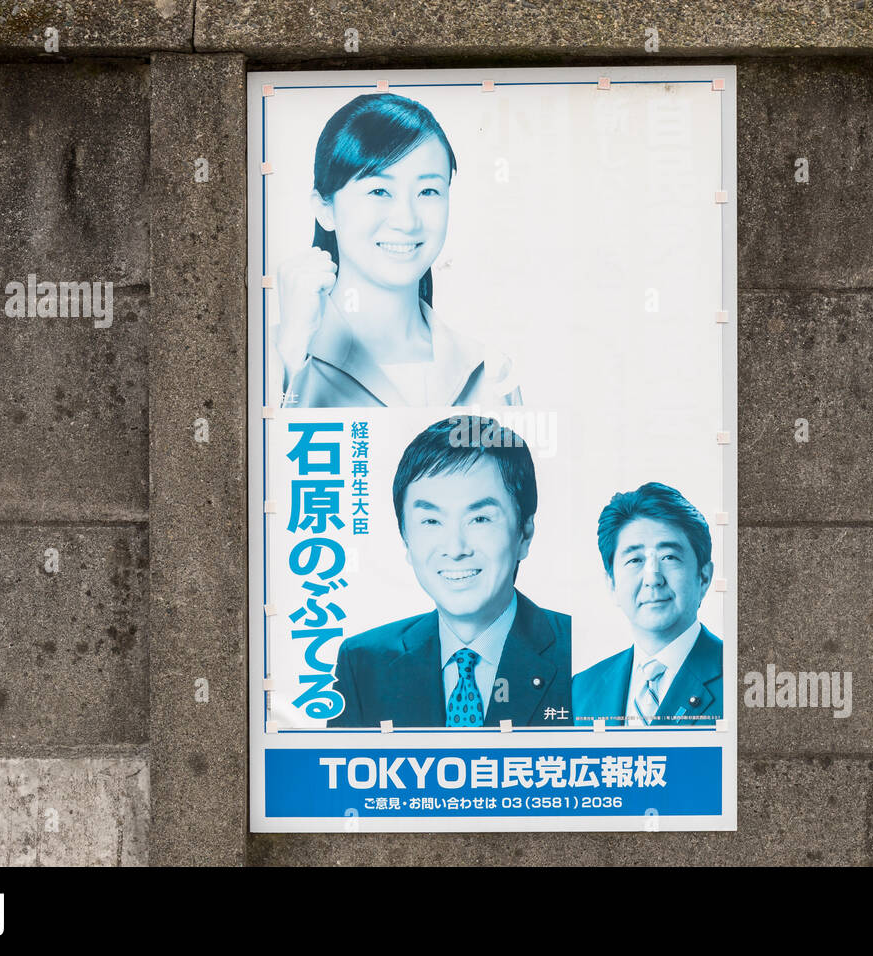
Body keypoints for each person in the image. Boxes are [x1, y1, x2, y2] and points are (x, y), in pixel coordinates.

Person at [274, 93, 520, 408]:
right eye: (379, 191)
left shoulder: (490, 374)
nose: (406, 220)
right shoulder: (274, 353)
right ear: (325, 209)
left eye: (428, 191)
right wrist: (291, 352)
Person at [328, 416, 570, 727]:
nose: (455, 549)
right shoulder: (363, 663)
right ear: (405, 539)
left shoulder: (578, 652)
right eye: (431, 521)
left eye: (480, 519)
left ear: (525, 533)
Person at [573, 482, 722, 727]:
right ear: (612, 583)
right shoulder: (580, 690)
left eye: (669, 557)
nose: (653, 577)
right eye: (634, 560)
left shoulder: (739, 677)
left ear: (704, 577)